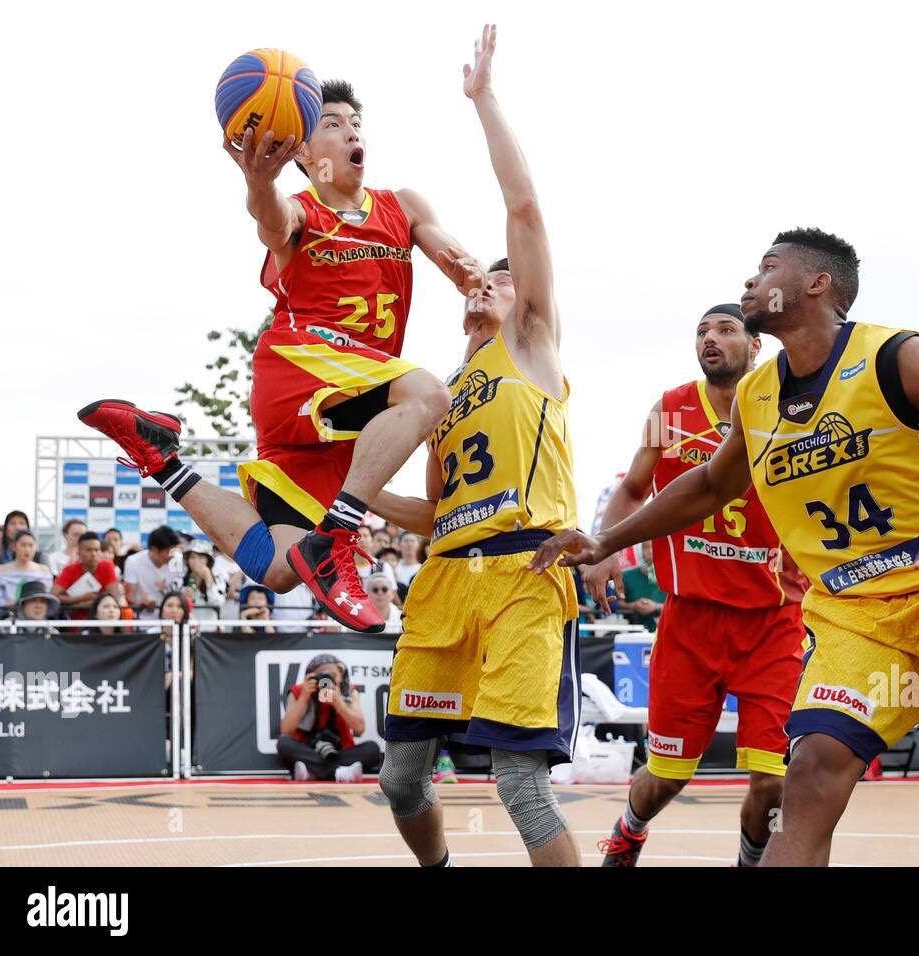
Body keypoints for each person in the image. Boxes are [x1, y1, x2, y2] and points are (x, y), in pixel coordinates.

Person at [532, 226, 919, 867]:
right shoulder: (757, 398)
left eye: (765, 268)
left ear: (817, 284)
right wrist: (604, 541)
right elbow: (707, 485)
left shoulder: (896, 357)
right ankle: (647, 829)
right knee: (807, 774)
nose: (748, 283)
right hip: (857, 618)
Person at [77, 67, 486, 636]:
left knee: (278, 567)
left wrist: (469, 275)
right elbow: (270, 219)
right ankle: (337, 538)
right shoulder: (299, 208)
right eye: (333, 124)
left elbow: (450, 252)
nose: (350, 133)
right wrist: (257, 180)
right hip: (303, 367)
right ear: (302, 150)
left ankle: (161, 458)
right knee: (429, 394)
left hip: (346, 403)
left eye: (356, 124)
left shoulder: (402, 206)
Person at [372, 26, 580, 867]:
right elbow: (432, 507)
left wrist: (484, 100)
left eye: (500, 277)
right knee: (399, 780)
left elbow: (523, 209)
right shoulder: (438, 394)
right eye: (480, 278)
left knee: (519, 784)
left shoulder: (529, 340)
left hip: (527, 571)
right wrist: (341, 494)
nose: (486, 284)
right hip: (446, 575)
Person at [582, 303, 808, 868]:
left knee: (772, 780)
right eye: (702, 331)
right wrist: (605, 544)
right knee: (665, 777)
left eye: (726, 329)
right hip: (691, 619)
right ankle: (629, 830)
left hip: (774, 621)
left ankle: (749, 861)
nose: (710, 338)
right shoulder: (670, 409)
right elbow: (633, 489)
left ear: (757, 345)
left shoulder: (793, 407)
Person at [279, 654, 380, 782]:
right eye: (322, 674)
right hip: (308, 750)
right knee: (284, 743)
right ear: (310, 676)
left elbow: (359, 729)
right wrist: (304, 697)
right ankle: (339, 772)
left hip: (339, 751)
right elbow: (286, 730)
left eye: (333, 675)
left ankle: (312, 772)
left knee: (372, 749)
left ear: (341, 676)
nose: (327, 679)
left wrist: (338, 702)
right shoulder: (298, 691)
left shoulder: (348, 692)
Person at [52, 531, 122, 621]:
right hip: (75, 625)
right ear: (79, 552)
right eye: (89, 550)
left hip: (102, 624)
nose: (93, 554)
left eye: (97, 550)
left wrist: (78, 605)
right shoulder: (70, 569)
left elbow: (112, 596)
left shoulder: (107, 566)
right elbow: (54, 596)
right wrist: (83, 598)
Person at [0, 531, 54, 617]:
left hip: (36, 619)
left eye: (31, 545)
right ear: (14, 547)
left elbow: (47, 598)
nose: (27, 549)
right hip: (7, 619)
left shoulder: (43, 570)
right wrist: (11, 604)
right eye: (23, 545)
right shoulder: (0, 570)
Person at [124, 526, 185, 618]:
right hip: (143, 622)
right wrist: (142, 602)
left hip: (172, 621)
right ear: (154, 549)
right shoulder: (133, 561)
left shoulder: (178, 562)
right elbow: (130, 597)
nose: (172, 556)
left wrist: (166, 591)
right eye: (168, 552)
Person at [618, 540, 667, 631]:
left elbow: (680, 606)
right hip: (635, 632)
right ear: (638, 550)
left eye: (654, 546)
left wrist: (656, 607)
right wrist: (634, 606)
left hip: (666, 630)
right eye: (645, 547)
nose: (650, 551)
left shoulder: (671, 574)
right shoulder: (626, 575)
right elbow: (618, 603)